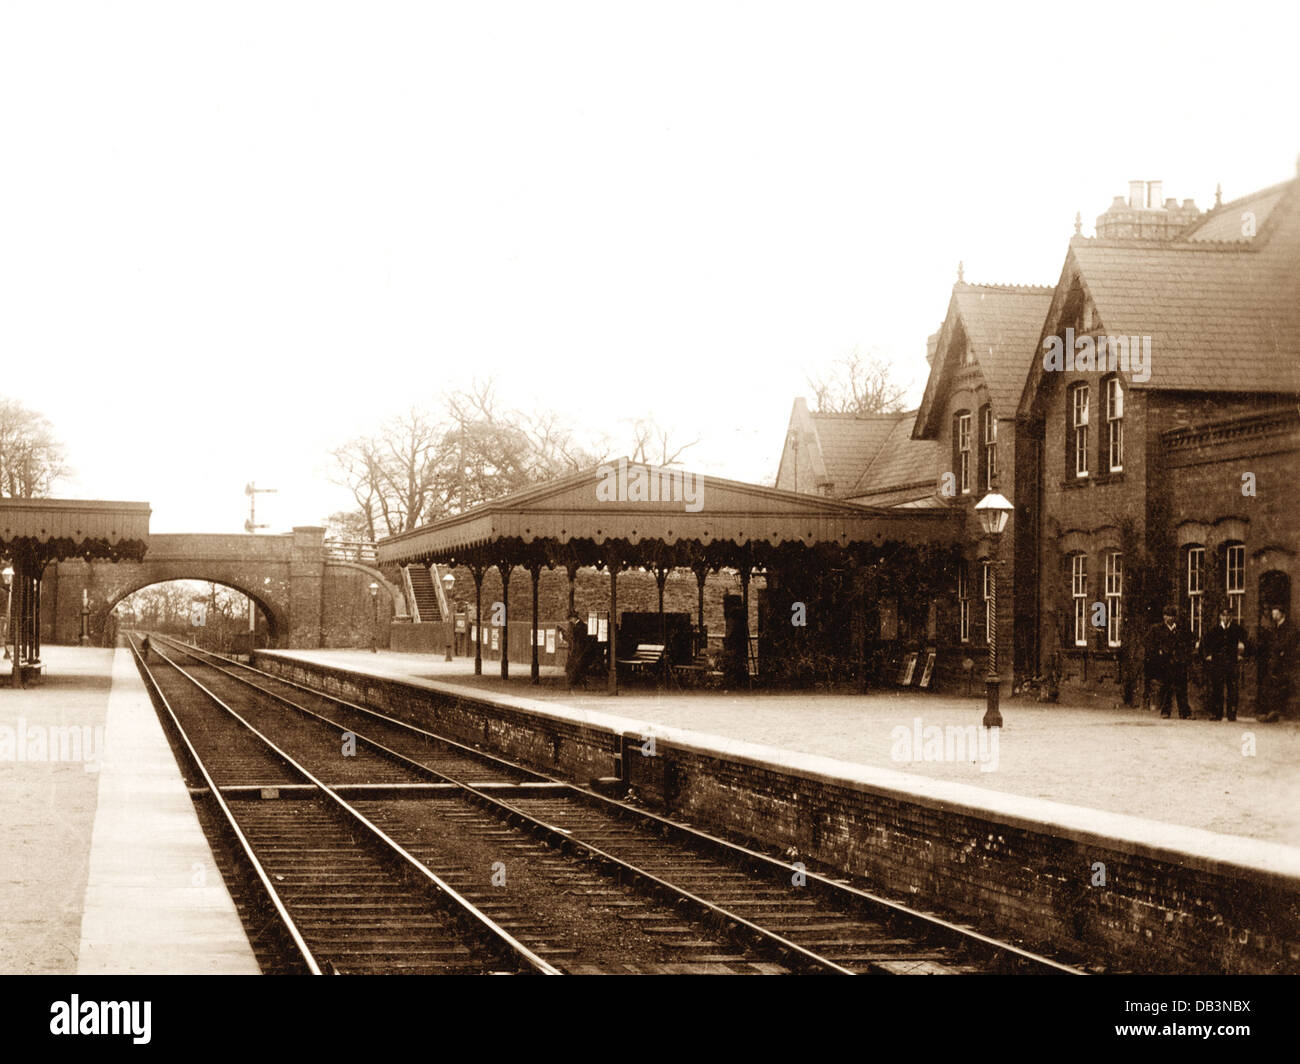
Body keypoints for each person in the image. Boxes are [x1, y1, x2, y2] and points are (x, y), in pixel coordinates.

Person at [1146, 605, 1194, 719]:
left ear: (1175, 617)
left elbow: (1191, 641)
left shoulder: (1182, 629)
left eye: (1171, 616)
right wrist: (1158, 653)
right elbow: (1148, 643)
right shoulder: (1157, 629)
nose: (1168, 618)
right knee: (1166, 688)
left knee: (1181, 688)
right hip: (1165, 663)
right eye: (1166, 616)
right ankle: (1165, 711)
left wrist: (1185, 655)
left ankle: (1184, 712)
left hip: (1179, 662)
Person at [1201, 606, 1249, 721]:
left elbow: (1247, 642)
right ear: (1220, 617)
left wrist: (1242, 654)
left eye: (1228, 615)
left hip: (1232, 662)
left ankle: (1231, 714)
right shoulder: (1214, 630)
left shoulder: (1237, 629)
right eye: (1224, 615)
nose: (1226, 618)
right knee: (1217, 688)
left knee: (1232, 688)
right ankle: (1217, 713)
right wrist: (1207, 655)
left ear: (1232, 617)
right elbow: (1204, 643)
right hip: (1218, 663)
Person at [1259, 605, 1298, 723]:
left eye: (1276, 614)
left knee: (1280, 685)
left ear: (1282, 614)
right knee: (1272, 684)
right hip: (1274, 660)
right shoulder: (1274, 627)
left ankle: (1277, 711)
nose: (1274, 616)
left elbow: (1290, 642)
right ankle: (1272, 711)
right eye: (1273, 614)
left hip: (1284, 660)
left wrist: (1281, 651)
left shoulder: (1289, 628)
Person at [564, 613, 590, 690]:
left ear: (574, 618)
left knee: (575, 667)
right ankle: (581, 684)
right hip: (580, 650)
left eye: (571, 619)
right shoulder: (583, 625)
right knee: (580, 668)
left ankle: (572, 684)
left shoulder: (578, 627)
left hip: (578, 650)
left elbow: (575, 639)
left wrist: (566, 637)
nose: (570, 621)